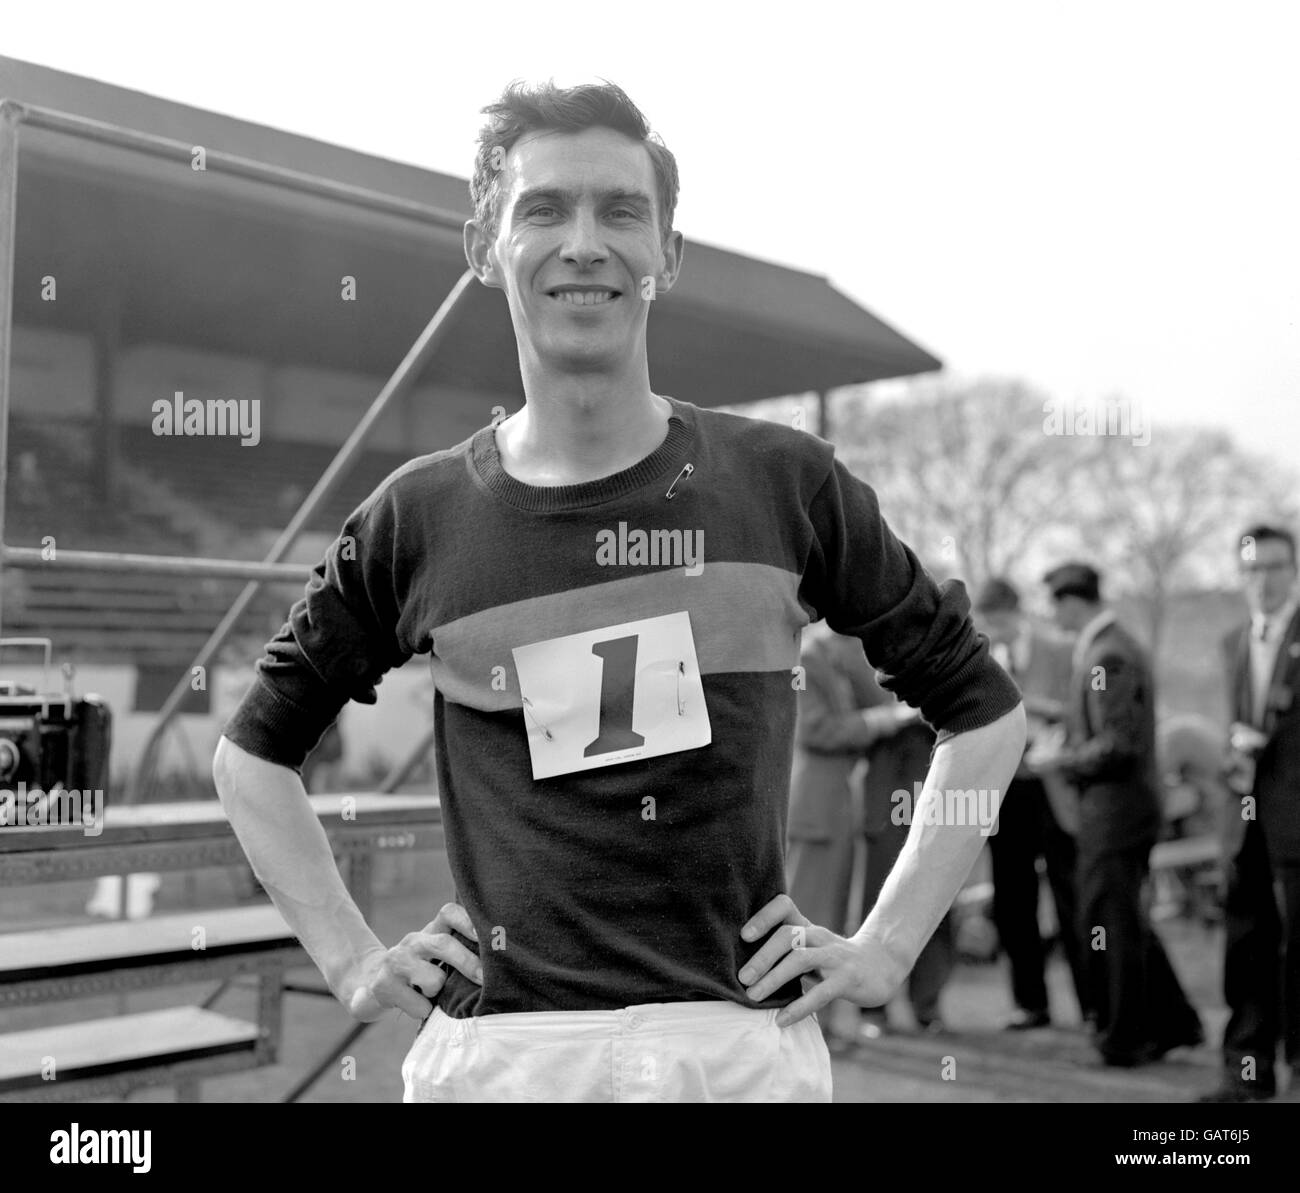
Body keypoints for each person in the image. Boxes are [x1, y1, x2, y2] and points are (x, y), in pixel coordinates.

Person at [212, 79, 1026, 1103]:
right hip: (504, 1057)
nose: (584, 242)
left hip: (733, 1049)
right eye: (543, 209)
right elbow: (251, 756)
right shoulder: (415, 516)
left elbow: (984, 713)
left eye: (620, 210)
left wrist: (887, 943)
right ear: (484, 246)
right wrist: (349, 958)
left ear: (666, 255)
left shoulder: (784, 481)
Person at [1026, 563, 1202, 1066]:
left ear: (1073, 602)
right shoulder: (1111, 646)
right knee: (1126, 918)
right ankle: (1174, 1023)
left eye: (1054, 602)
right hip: (1120, 809)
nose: (1051, 613)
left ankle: (1126, 1037)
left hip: (1116, 812)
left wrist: (1056, 759)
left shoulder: (1107, 654)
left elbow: (1118, 744)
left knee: (1109, 922)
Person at [1201, 524, 1300, 1102]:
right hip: (1245, 820)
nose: (1264, 580)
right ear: (1240, 577)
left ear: (1293, 571)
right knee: (1246, 947)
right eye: (1253, 569)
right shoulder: (1233, 641)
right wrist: (1233, 750)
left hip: (1296, 823)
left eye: (1276, 567)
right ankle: (1248, 1072)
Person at [786, 622, 918, 1045]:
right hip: (816, 805)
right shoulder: (807, 658)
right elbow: (818, 730)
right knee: (808, 920)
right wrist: (885, 719)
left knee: (828, 920)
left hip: (836, 805)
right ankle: (802, 1030)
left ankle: (819, 1028)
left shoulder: (830, 658)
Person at [973, 577, 1090, 1030]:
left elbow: (1078, 711)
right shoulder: (982, 657)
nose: (993, 629)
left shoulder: (1060, 650)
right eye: (987, 621)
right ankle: (1030, 1003)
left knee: (1070, 896)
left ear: (1016, 612)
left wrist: (1030, 705)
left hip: (1053, 787)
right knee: (1012, 900)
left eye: (998, 619)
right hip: (1005, 793)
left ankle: (1092, 1003)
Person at [855, 667, 953, 1035]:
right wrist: (890, 716)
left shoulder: (950, 656)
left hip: (935, 796)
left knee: (935, 903)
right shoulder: (862, 657)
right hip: (886, 799)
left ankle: (928, 1005)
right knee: (879, 902)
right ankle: (873, 1009)